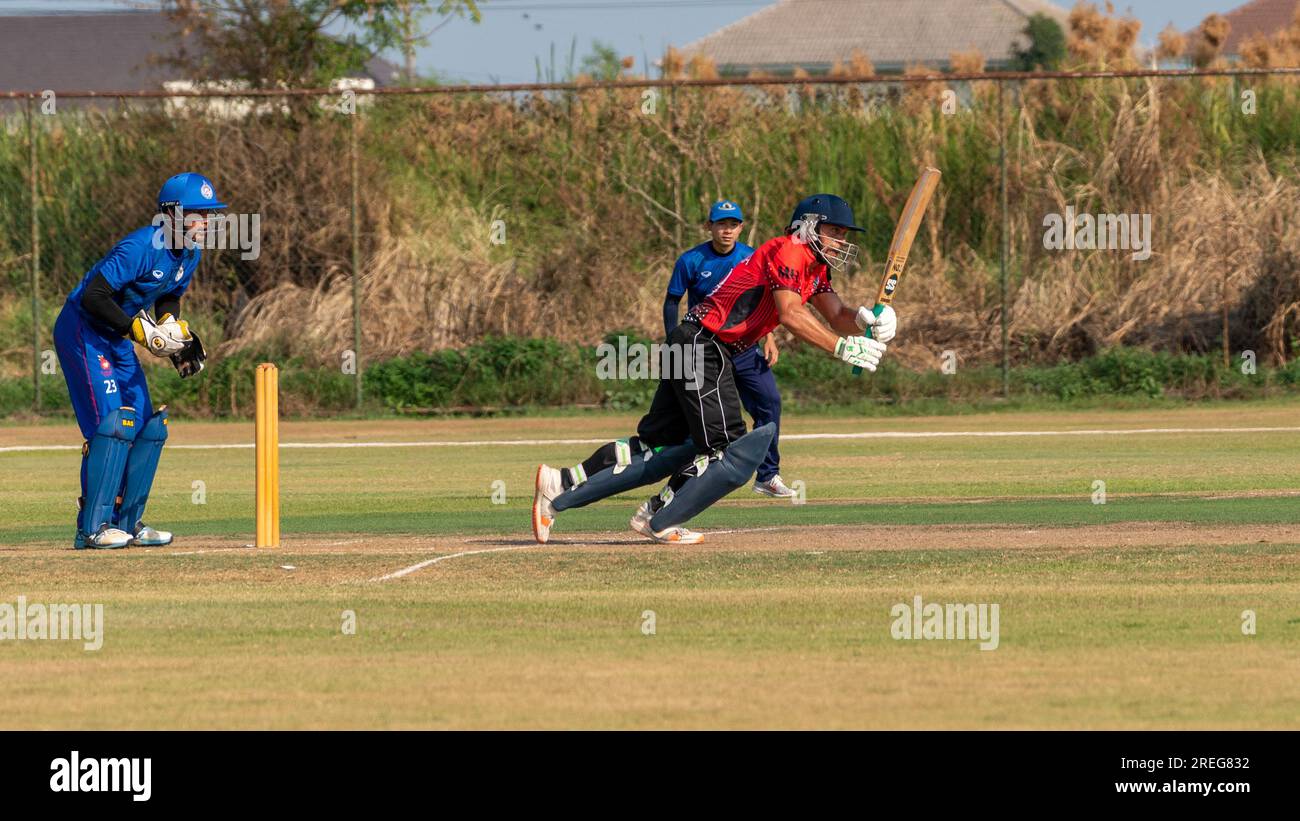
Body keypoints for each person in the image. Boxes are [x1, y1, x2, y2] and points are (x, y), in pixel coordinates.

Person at [532, 193, 897, 545]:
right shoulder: (789, 250)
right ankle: (659, 516)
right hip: (703, 345)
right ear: (809, 226)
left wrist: (868, 323)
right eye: (835, 232)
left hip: (692, 342)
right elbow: (790, 313)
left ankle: (560, 483)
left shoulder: (814, 270)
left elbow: (836, 315)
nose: (840, 241)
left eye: (844, 235)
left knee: (661, 444)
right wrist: (842, 347)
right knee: (728, 448)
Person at [53, 172, 220, 549]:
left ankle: (128, 522)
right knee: (112, 426)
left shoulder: (189, 252)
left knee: (146, 425)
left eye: (210, 215)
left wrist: (170, 329)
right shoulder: (141, 246)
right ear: (173, 214)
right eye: (200, 214)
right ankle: (92, 527)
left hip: (118, 337)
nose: (207, 222)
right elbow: (95, 296)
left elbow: (169, 295)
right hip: (83, 331)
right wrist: (137, 330)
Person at [664, 200, 792, 499]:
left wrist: (769, 337)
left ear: (741, 228)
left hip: (745, 347)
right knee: (696, 417)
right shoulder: (691, 260)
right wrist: (673, 342)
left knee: (769, 402)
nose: (727, 230)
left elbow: (763, 301)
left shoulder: (751, 257)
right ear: (708, 226)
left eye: (733, 225)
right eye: (721, 224)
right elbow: (672, 301)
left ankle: (768, 475)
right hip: (705, 347)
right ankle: (688, 478)